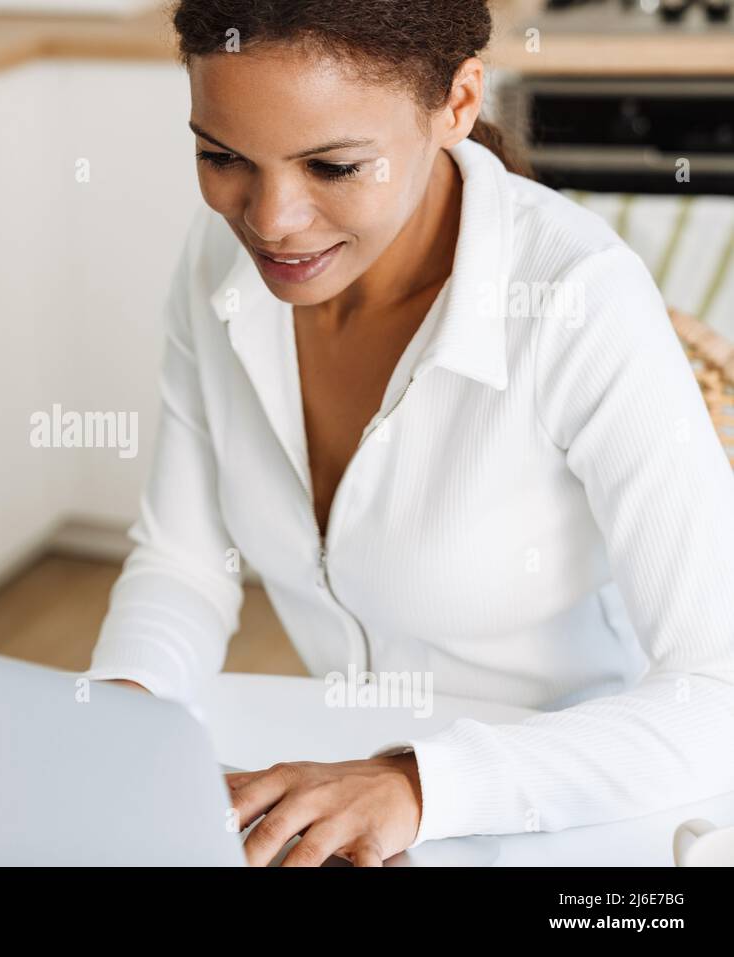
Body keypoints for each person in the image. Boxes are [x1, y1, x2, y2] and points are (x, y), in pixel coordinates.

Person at [82, 0, 734, 867]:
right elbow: (184, 565)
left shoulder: (578, 299)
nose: (270, 220)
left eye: (336, 165)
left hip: (573, 811)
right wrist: (109, 730)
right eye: (222, 156)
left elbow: (715, 693)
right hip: (339, 802)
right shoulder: (217, 265)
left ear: (458, 103)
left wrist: (418, 784)